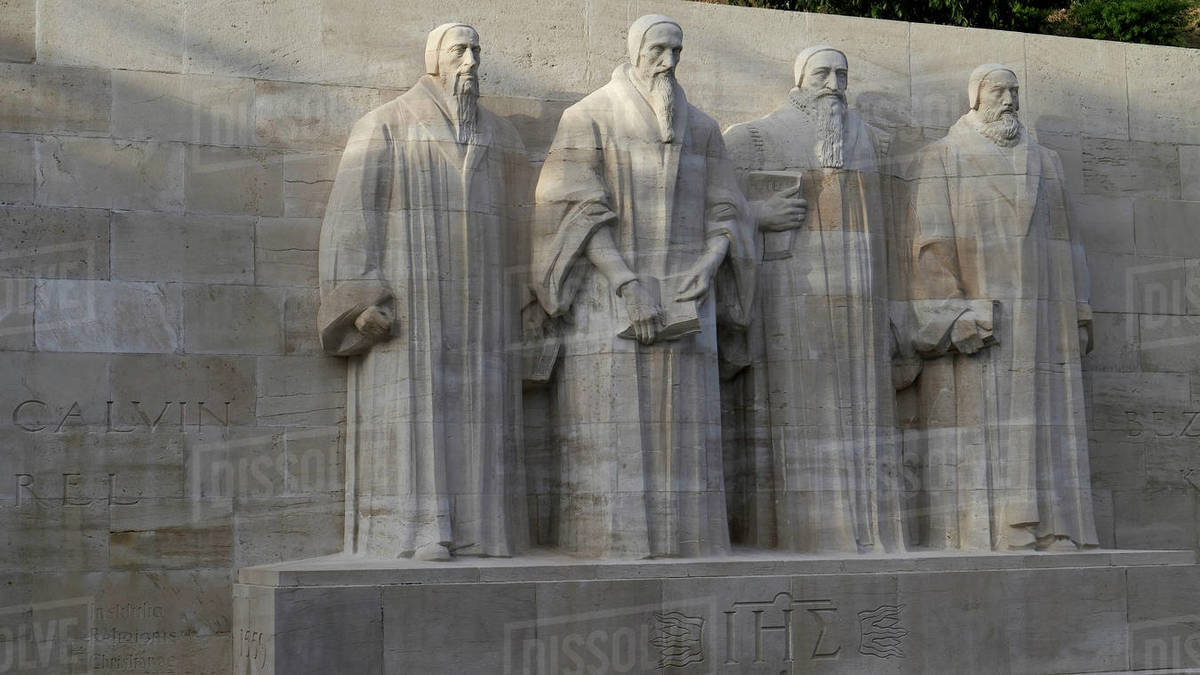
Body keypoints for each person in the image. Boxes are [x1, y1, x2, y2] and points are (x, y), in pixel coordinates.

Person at [532, 14, 756, 558]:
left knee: (689, 436)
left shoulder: (702, 127)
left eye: (677, 51)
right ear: (635, 51)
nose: (669, 61)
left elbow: (727, 209)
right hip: (608, 299)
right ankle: (609, 546)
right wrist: (625, 281)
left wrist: (709, 263)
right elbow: (572, 207)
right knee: (613, 435)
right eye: (659, 49)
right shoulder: (588, 116)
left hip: (688, 300)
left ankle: (696, 548)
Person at [317, 23, 531, 560]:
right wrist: (360, 302)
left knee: (483, 415)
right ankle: (415, 532)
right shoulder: (385, 124)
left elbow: (527, 223)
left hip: (484, 307)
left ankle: (484, 530)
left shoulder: (501, 136)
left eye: (477, 49)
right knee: (416, 418)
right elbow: (350, 217)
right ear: (434, 59)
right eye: (460, 49)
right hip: (410, 307)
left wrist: (531, 303)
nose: (471, 60)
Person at [906, 64, 1098, 551]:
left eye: (1014, 90)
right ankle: (989, 532)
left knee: (1049, 421)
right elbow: (929, 243)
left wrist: (1078, 311)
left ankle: (1054, 527)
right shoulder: (944, 157)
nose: (1009, 99)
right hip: (984, 314)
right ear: (976, 97)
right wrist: (952, 314)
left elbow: (1068, 242)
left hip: (1046, 314)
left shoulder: (1046, 162)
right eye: (999, 90)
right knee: (983, 423)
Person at [722, 45, 906, 553]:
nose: (833, 83)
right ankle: (797, 532)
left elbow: (890, 233)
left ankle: (866, 532)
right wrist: (756, 215)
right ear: (799, 79)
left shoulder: (867, 139)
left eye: (842, 74)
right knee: (797, 407)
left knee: (861, 409)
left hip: (861, 302)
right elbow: (710, 211)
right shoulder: (754, 137)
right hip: (788, 295)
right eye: (822, 73)